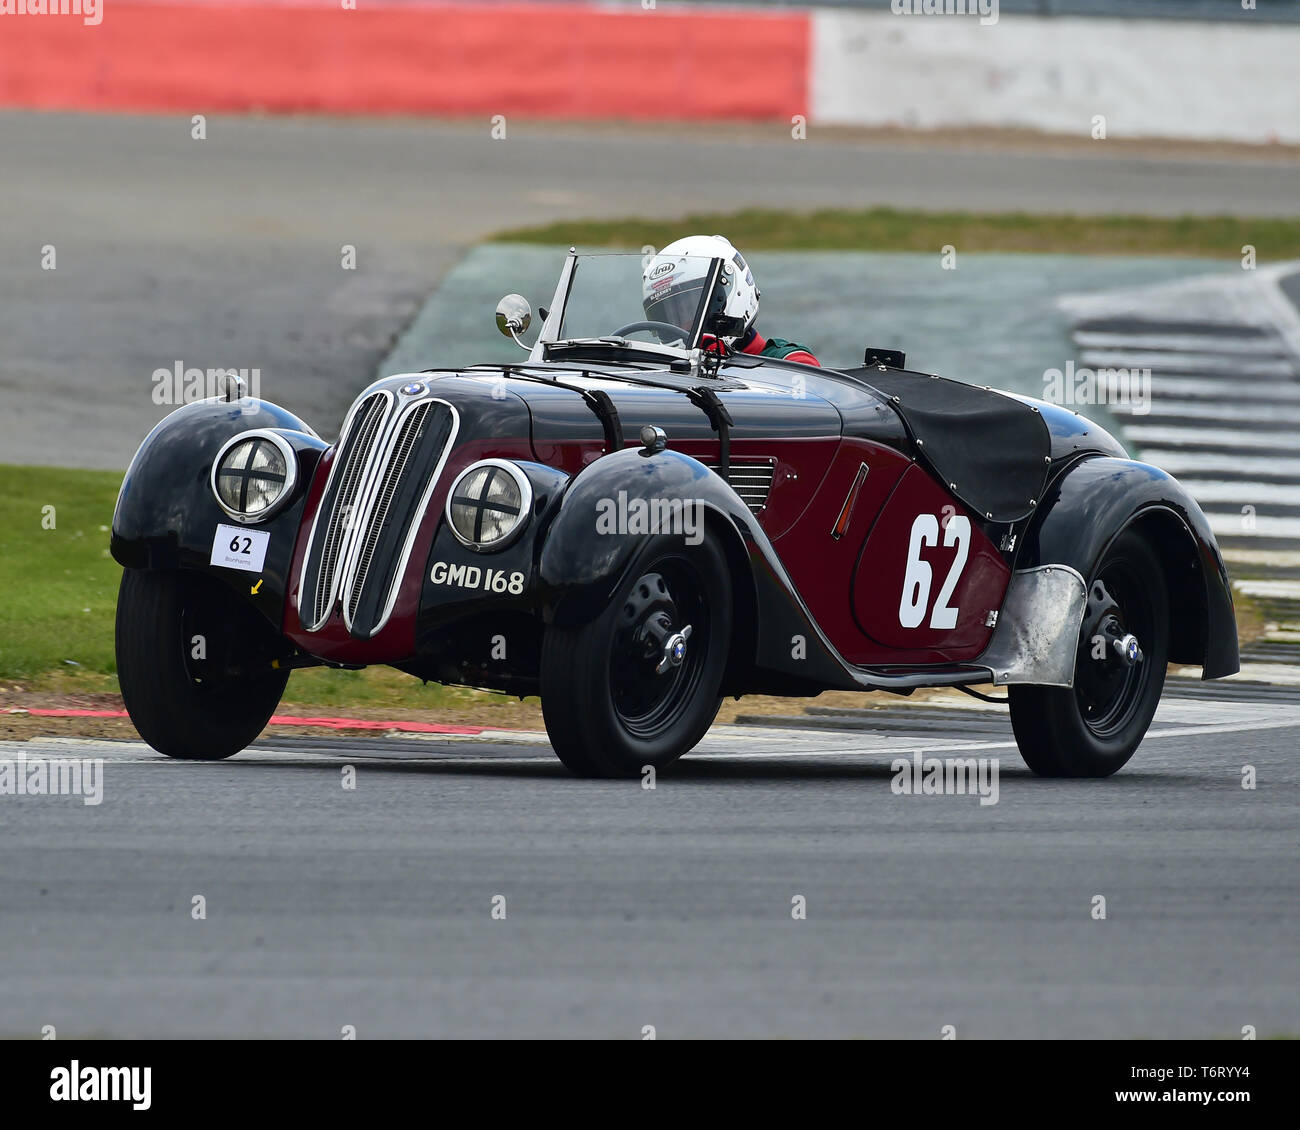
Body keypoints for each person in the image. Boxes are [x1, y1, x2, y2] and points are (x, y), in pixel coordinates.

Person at [640, 234, 821, 366]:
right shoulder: (669, 374)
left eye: (689, 309)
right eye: (669, 316)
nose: (682, 326)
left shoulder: (790, 361)